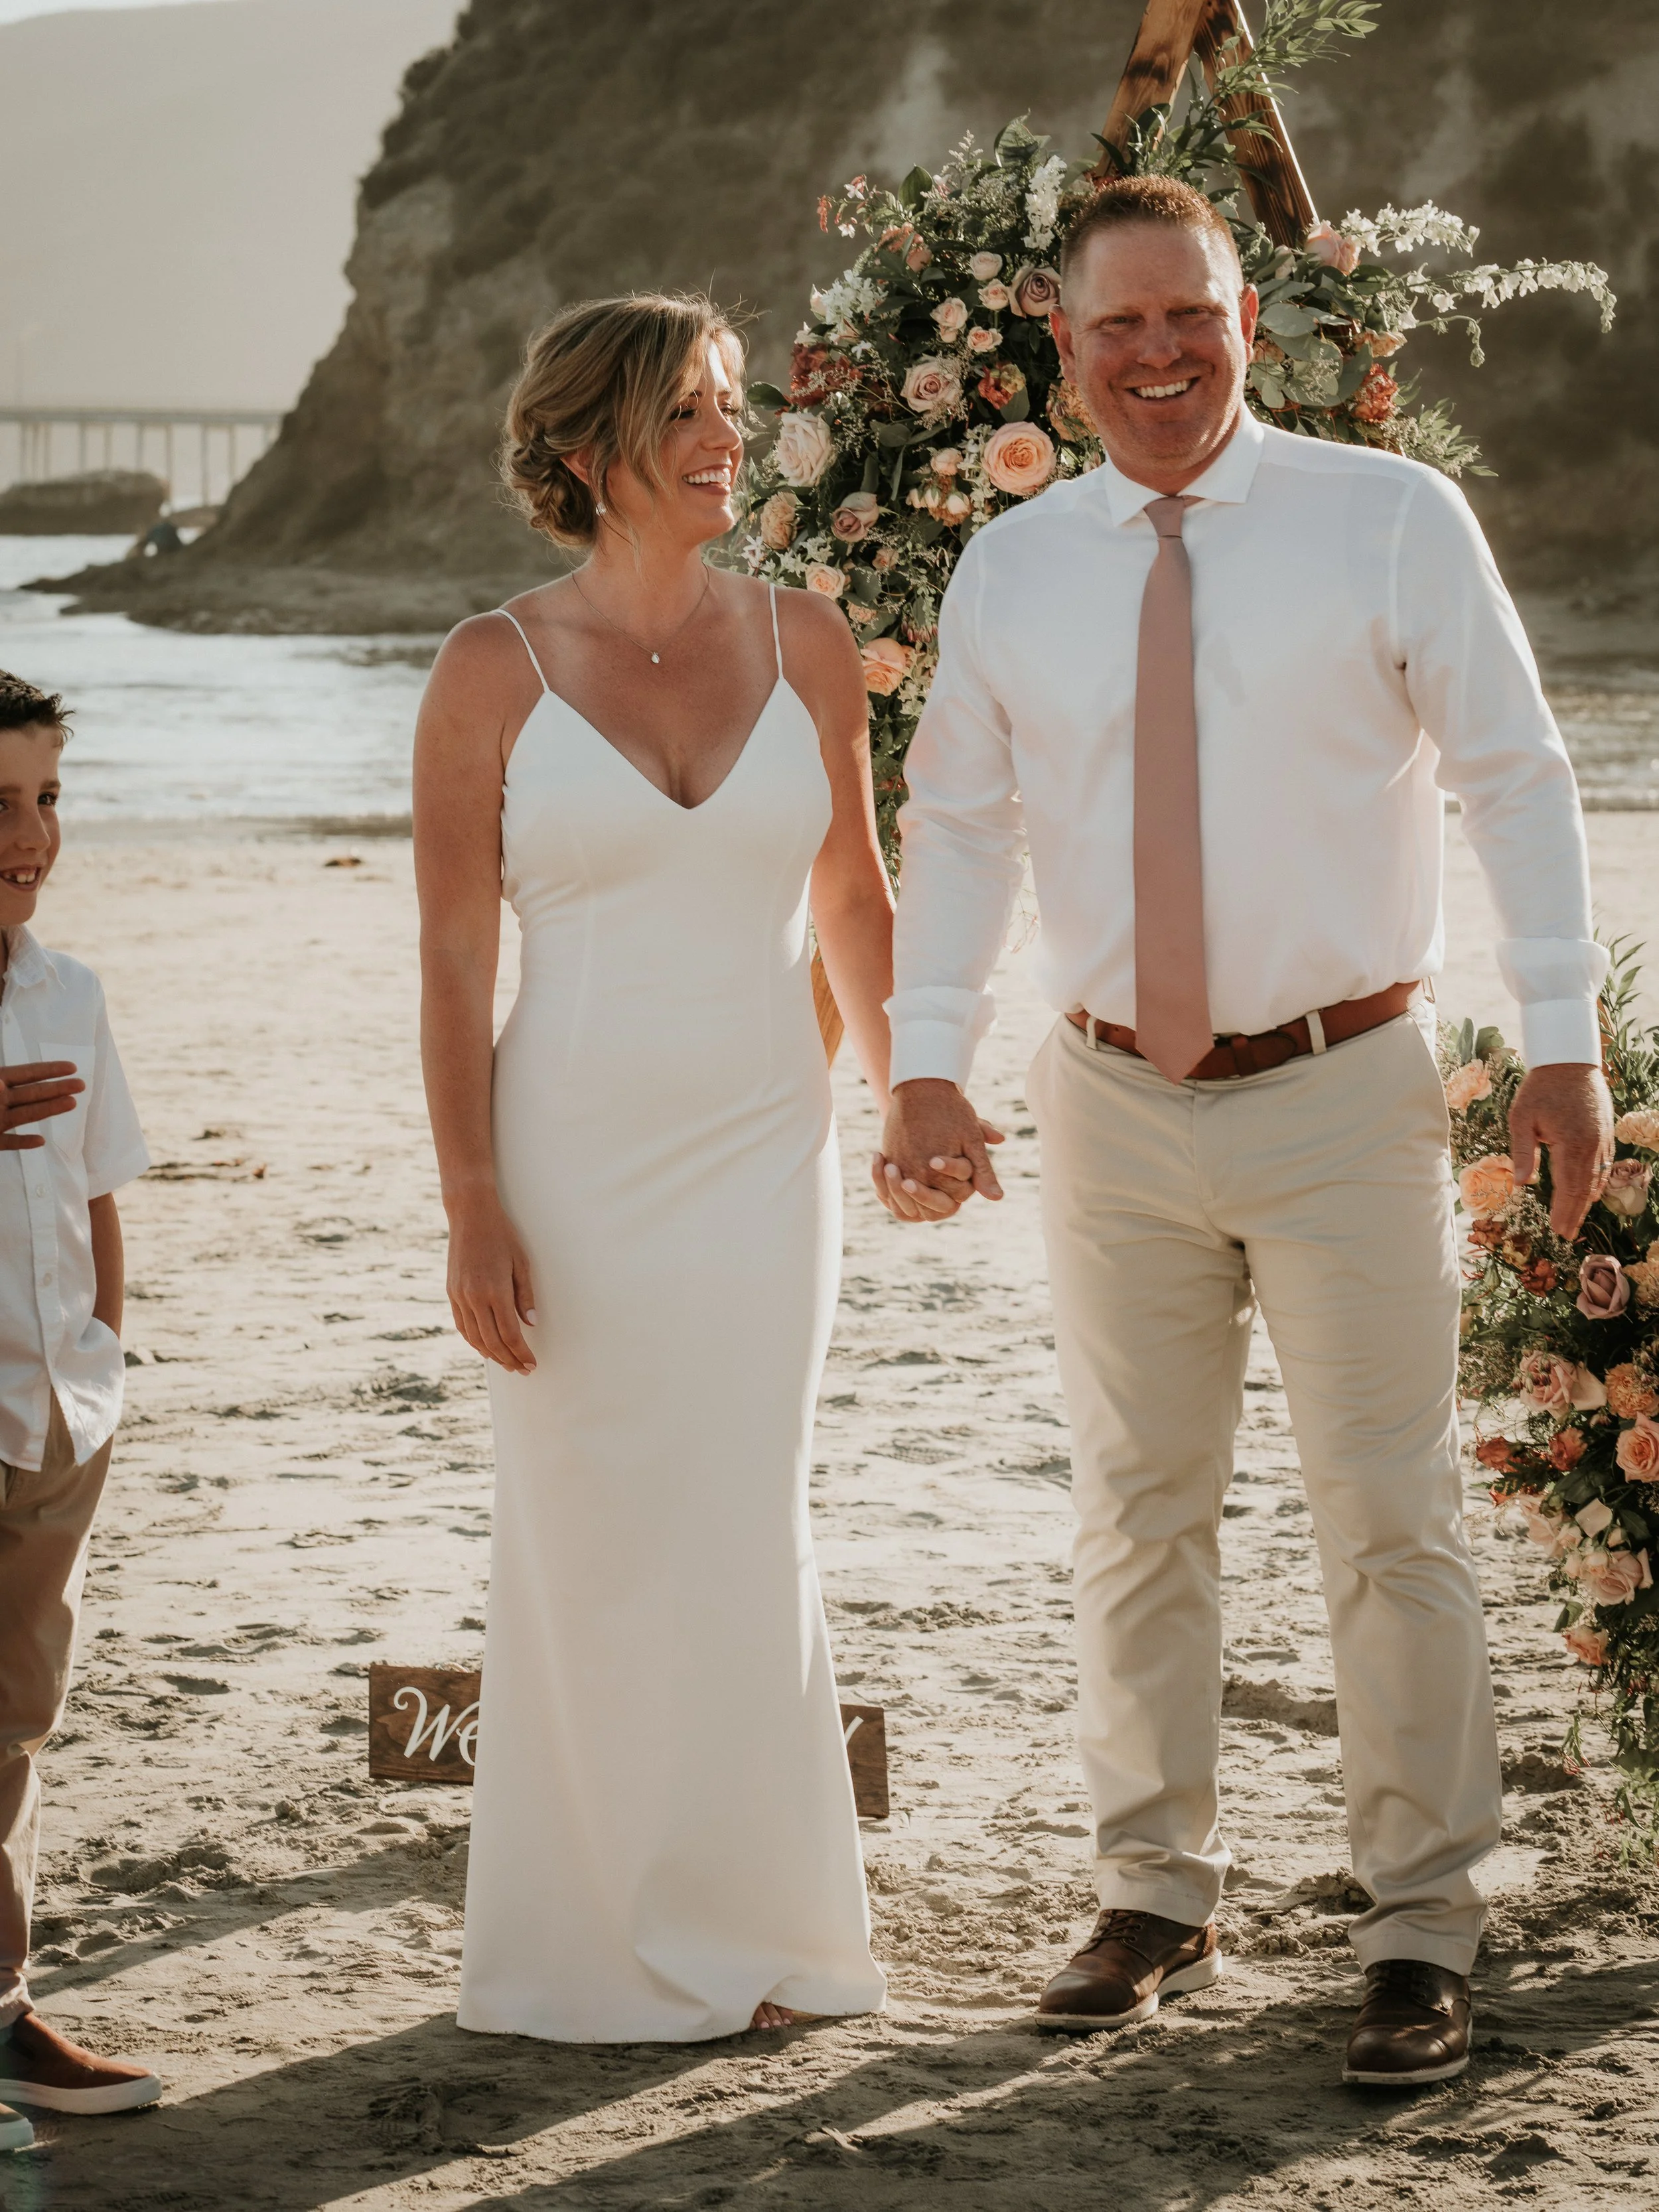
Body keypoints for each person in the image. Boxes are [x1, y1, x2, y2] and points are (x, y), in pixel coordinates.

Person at [877, 175, 1611, 2085]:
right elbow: (956, 825)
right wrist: (926, 1055)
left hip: (1346, 1088)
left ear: (1246, 320)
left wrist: (1558, 1040)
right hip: (1108, 1092)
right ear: (1061, 343)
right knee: (1135, 1510)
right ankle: (1151, 1888)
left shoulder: (1385, 520)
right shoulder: (1015, 564)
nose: (1156, 355)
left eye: (1187, 315)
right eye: (1115, 325)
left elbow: (1515, 773)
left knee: (1389, 1514)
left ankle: (1420, 1919)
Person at [414, 293, 918, 2043]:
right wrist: (472, 1199)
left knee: (740, 1516)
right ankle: (597, 1937)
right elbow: (450, 963)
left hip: (767, 1159)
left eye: (730, 403)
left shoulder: (809, 639)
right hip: (568, 1156)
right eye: (685, 410)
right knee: (595, 1533)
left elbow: (852, 898)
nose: (729, 434)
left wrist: (899, 1088)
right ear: (582, 449)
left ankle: (758, 1925)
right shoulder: (491, 666)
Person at [0, 671, 161, 2146]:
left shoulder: (69, 990)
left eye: (46, 797)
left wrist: (102, 1353)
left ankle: (0, 2003)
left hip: (54, 1409)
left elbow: (99, 1182)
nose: (29, 831)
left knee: (17, 1712)